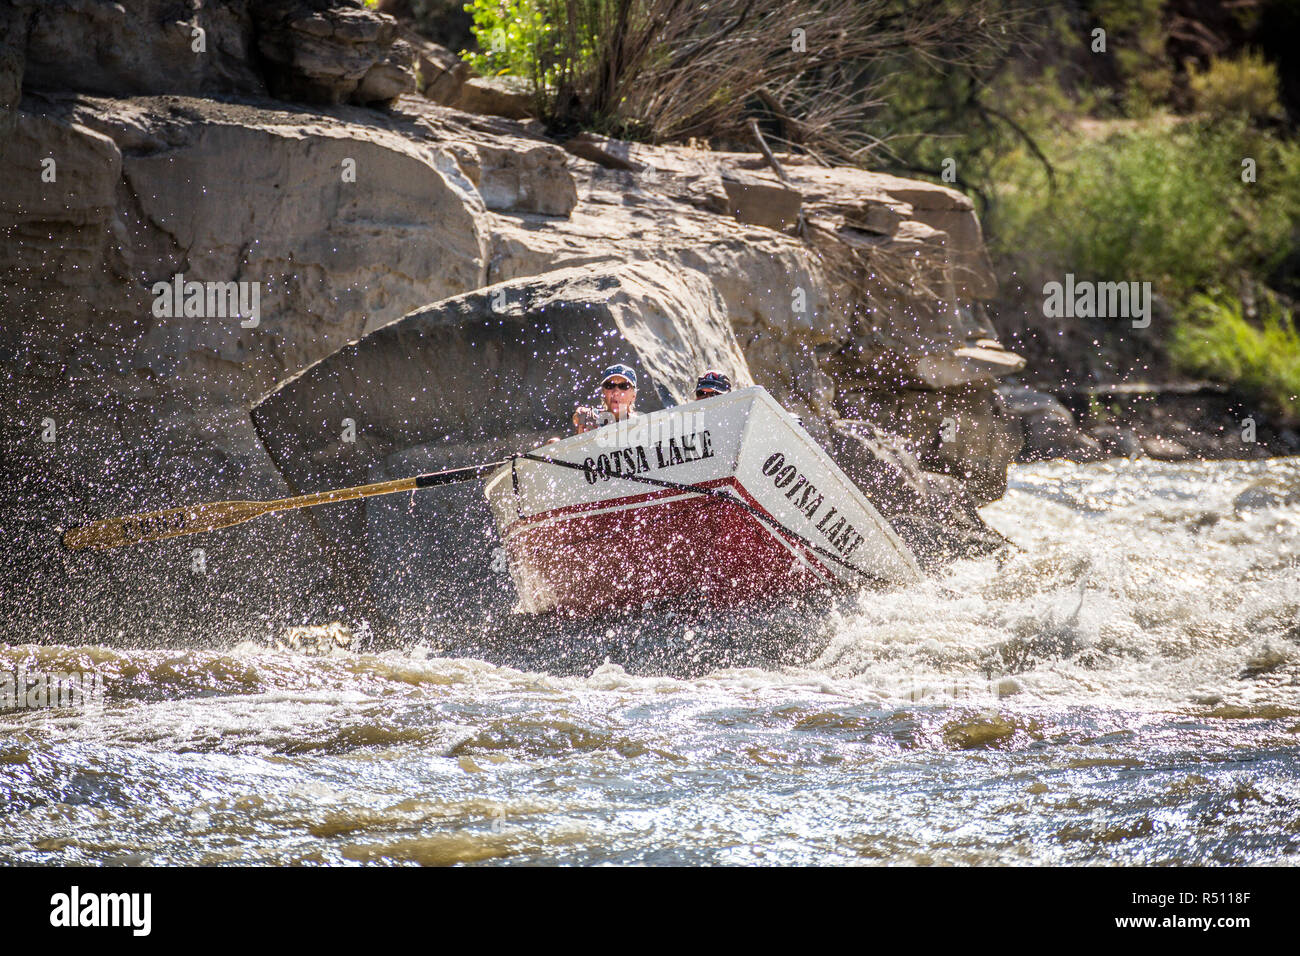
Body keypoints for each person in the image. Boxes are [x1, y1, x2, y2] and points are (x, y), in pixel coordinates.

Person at [574, 364, 639, 434]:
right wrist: (580, 415)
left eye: (623, 386)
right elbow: (578, 417)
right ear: (603, 393)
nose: (616, 392)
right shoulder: (591, 419)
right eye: (610, 386)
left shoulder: (641, 428)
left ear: (633, 396)